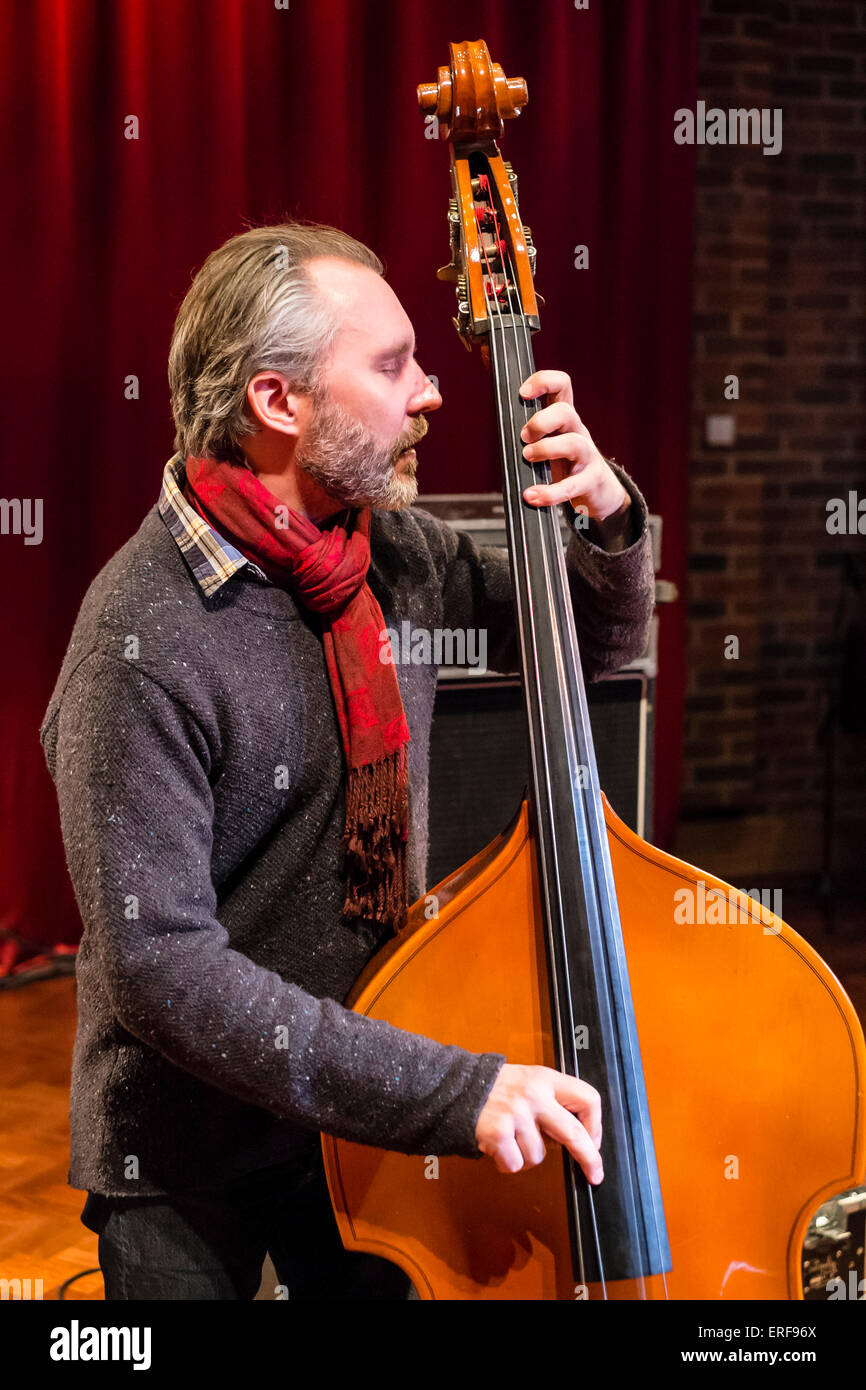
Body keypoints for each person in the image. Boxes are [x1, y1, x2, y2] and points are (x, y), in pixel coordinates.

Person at [39, 221, 656, 1300]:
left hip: (356, 1119)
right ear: (279, 404)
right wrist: (450, 1090)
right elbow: (160, 970)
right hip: (185, 1154)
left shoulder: (391, 553)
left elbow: (585, 653)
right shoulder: (138, 635)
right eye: (390, 365)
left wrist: (604, 513)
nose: (429, 391)